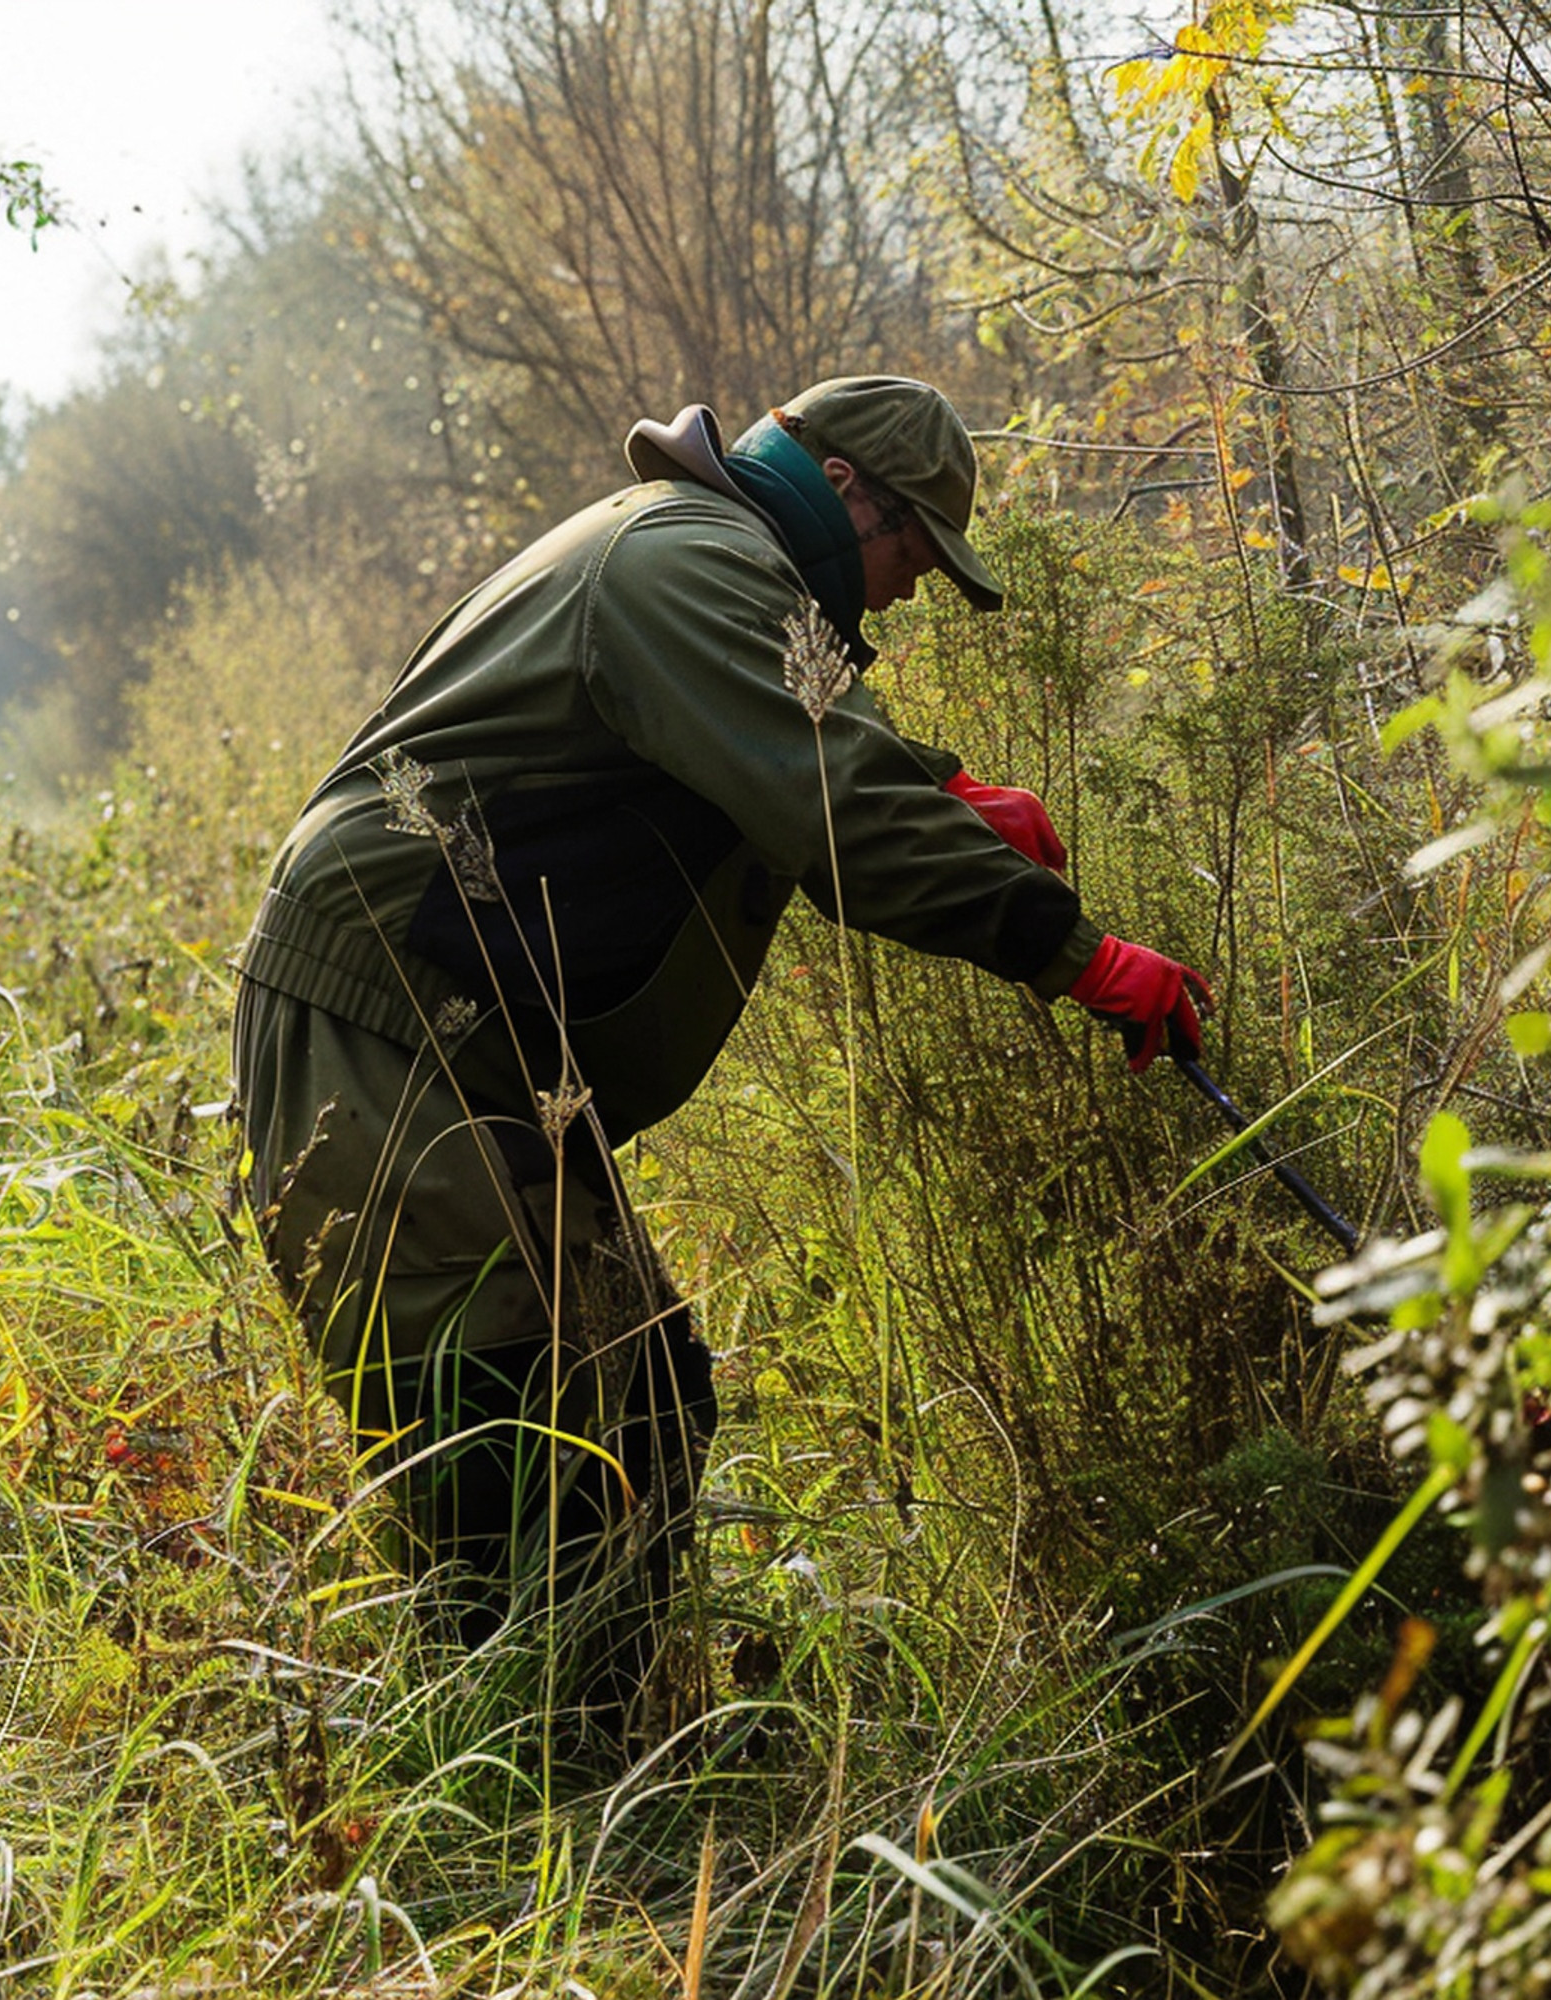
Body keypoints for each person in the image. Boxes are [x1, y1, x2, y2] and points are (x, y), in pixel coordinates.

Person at [230, 376, 1209, 1758]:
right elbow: (825, 802)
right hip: (384, 1021)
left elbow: (792, 737)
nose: (909, 593)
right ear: (846, 489)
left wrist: (938, 786)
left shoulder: (709, 563)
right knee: (507, 1416)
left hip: (462, 1032)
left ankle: (613, 1748)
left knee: (644, 1394)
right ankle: (539, 1793)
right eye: (912, 553)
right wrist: (1075, 955)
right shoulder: (680, 560)